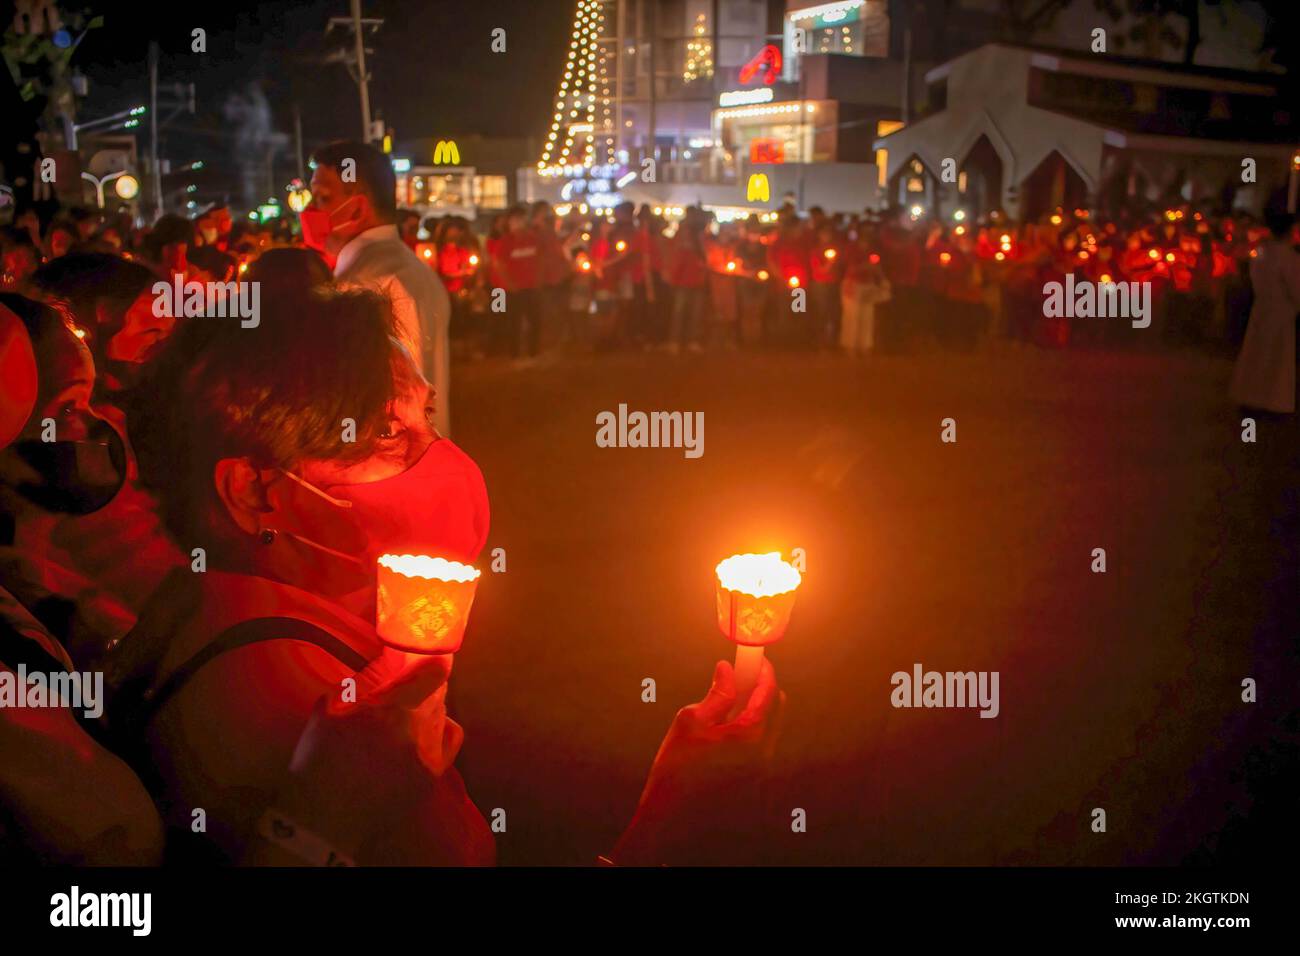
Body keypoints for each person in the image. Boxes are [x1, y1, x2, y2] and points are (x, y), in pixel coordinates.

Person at [115, 286, 783, 865]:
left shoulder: (236, 618)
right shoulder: (307, 717)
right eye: (384, 432)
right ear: (256, 494)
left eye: (425, 417)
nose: (449, 466)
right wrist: (672, 816)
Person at [306, 140, 453, 436]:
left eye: (321, 198)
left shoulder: (360, 286)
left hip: (383, 468)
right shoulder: (414, 270)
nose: (308, 211)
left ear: (357, 209)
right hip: (423, 460)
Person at [1229, 208, 1299, 414]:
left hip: (1262, 309)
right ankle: (1273, 403)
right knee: (1276, 359)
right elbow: (1296, 286)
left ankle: (1250, 396)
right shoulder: (1289, 257)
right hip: (1281, 311)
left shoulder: (1261, 252)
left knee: (1257, 354)